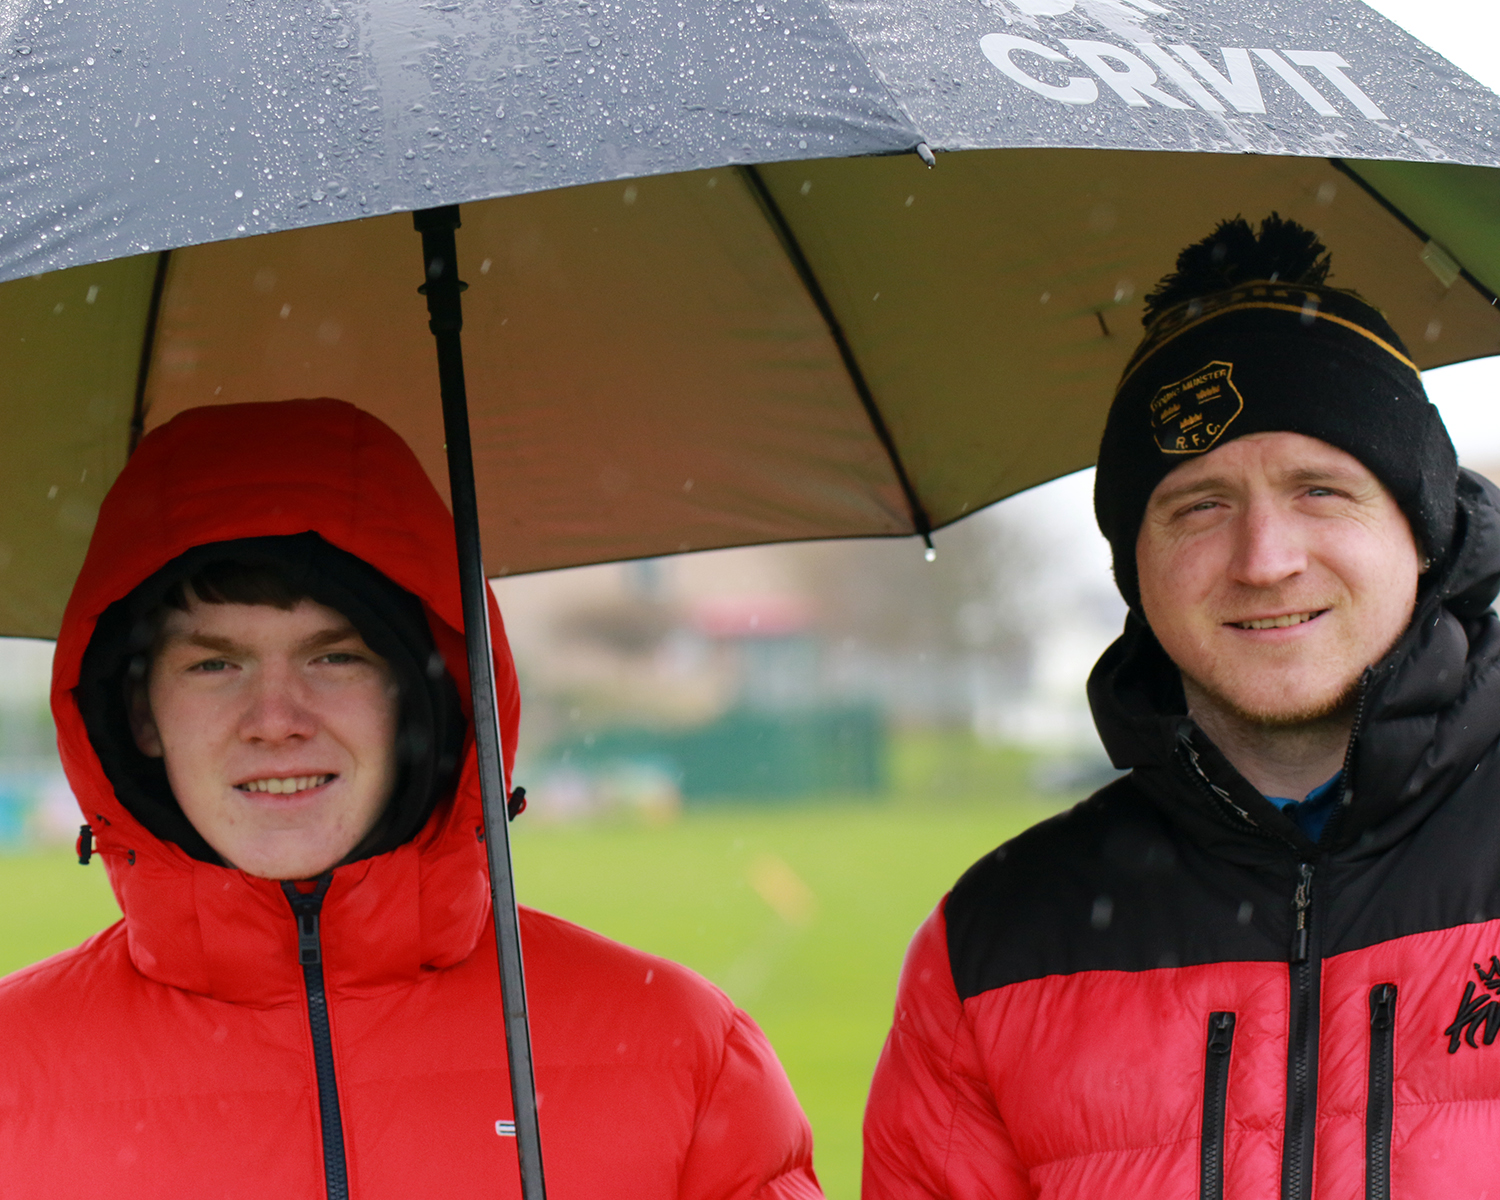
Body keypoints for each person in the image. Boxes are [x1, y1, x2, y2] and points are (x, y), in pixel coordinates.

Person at [0, 397, 822, 1199]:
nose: (276, 721)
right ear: (141, 715)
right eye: (215, 666)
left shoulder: (682, 1053)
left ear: (419, 698)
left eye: (336, 659)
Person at [863, 215, 1500, 1196]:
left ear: (1421, 533)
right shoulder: (992, 947)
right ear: (1136, 568)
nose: (1265, 559)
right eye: (1200, 505)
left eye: (1321, 490)